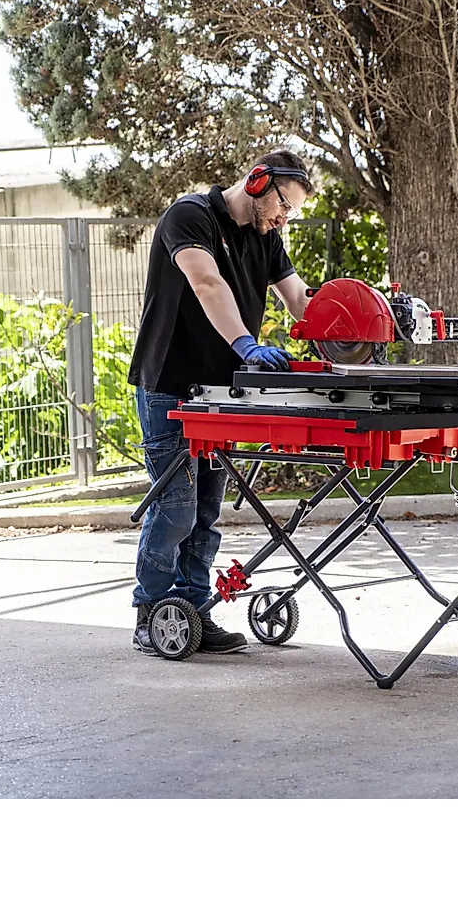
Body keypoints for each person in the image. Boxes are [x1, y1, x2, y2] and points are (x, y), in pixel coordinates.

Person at [126, 148, 314, 654]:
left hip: (221, 393)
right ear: (257, 182)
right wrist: (246, 345)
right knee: (175, 509)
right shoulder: (189, 216)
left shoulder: (266, 237)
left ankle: (192, 612)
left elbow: (300, 299)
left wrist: (351, 329)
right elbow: (207, 283)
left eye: (292, 211)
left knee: (206, 510)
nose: (284, 218)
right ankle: (151, 614)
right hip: (169, 385)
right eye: (283, 204)